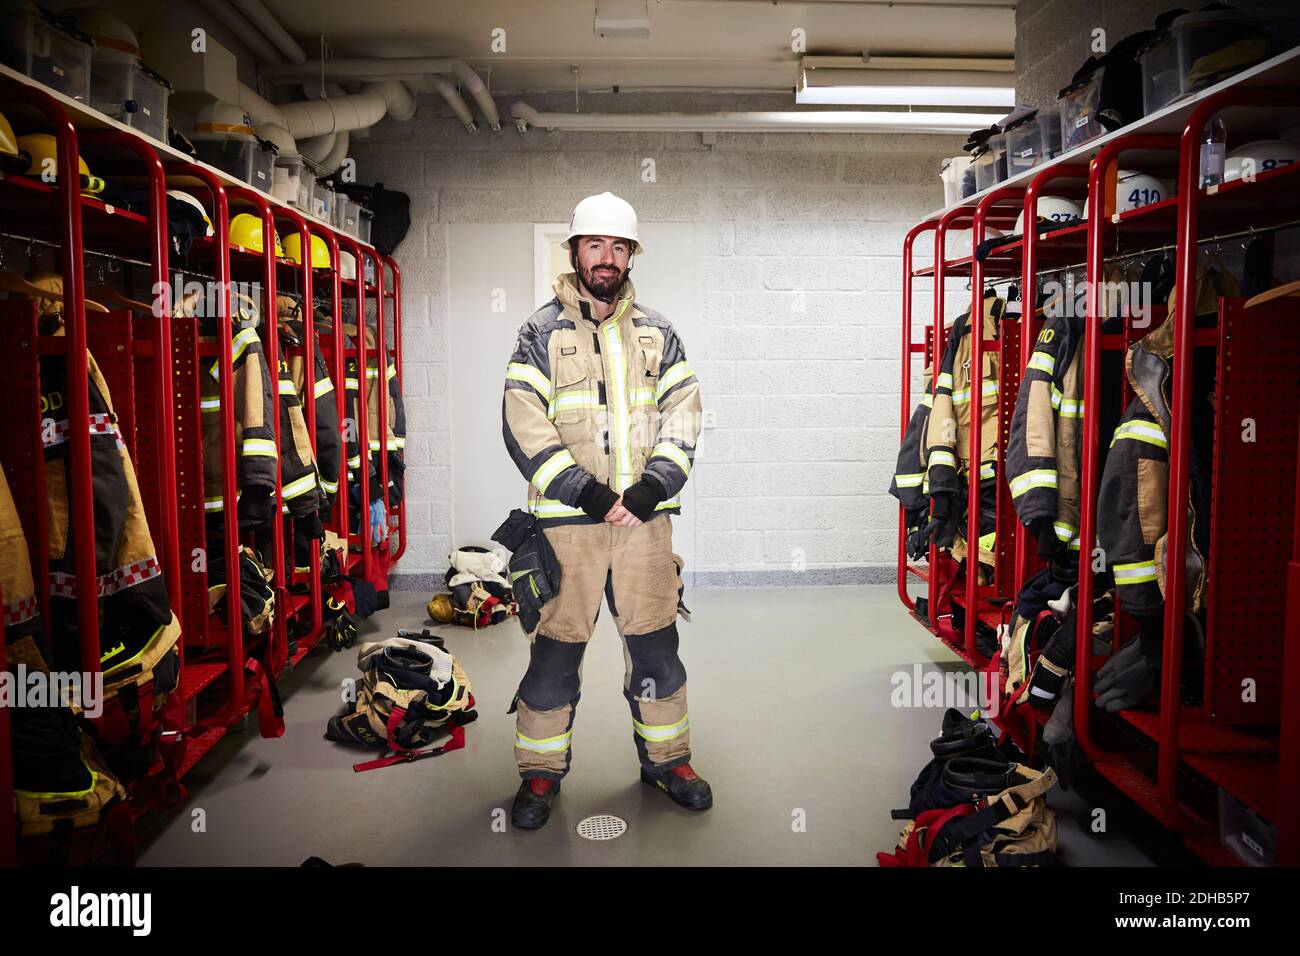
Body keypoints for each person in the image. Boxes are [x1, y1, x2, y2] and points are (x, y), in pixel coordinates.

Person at [501, 191, 711, 829]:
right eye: (595, 245)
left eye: (618, 247)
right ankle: (540, 775)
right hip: (570, 531)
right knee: (555, 654)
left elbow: (685, 414)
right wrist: (587, 493)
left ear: (629, 257)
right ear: (575, 252)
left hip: (645, 528)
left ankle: (667, 761)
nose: (607, 257)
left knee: (656, 653)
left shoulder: (659, 332)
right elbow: (522, 423)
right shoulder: (540, 332)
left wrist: (650, 489)